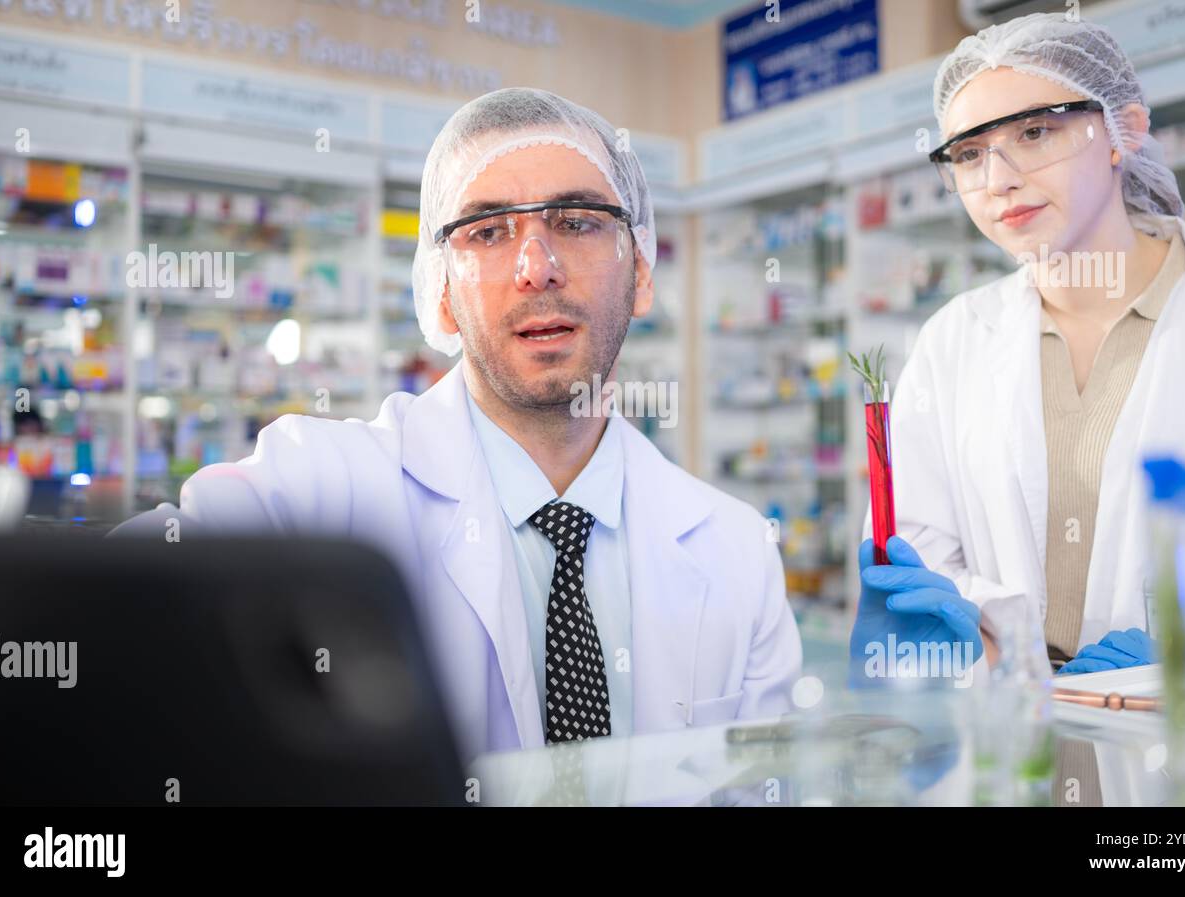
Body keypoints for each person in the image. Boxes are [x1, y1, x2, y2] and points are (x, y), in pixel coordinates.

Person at [111, 87, 802, 763]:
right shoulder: (320, 487)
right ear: (439, 291)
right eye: (488, 231)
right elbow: (106, 616)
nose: (538, 268)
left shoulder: (737, 552)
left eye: (577, 220)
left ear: (641, 268)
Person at [850, 13, 1185, 685]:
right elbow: (920, 555)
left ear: (1122, 131)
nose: (997, 179)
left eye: (1035, 132)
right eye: (967, 153)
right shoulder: (951, 342)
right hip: (1012, 744)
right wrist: (966, 648)